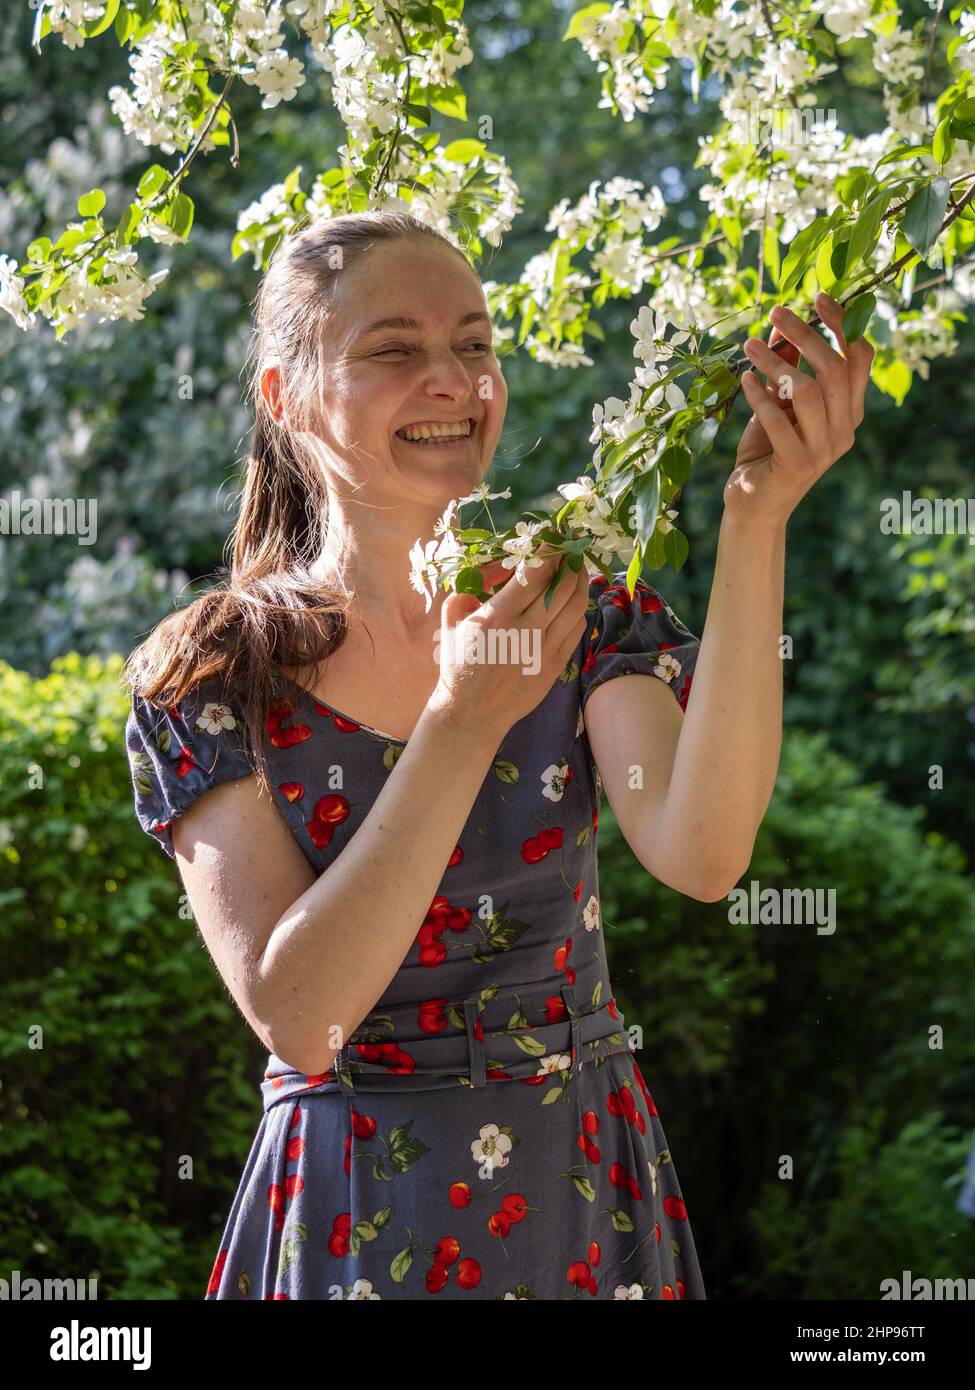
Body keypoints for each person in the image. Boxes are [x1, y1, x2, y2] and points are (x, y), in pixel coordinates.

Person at [122, 209, 873, 1301]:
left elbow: (703, 852)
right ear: (286, 397)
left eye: (475, 344)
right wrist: (465, 717)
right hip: (353, 1213)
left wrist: (758, 515)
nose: (455, 378)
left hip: (582, 1184)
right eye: (395, 349)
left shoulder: (578, 602)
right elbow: (303, 1016)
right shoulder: (207, 677)